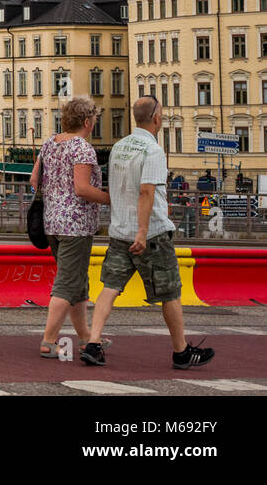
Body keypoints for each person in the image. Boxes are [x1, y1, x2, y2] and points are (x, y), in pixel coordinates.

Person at [82, 96, 214, 370]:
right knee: (169, 293)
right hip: (150, 234)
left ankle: (93, 343)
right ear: (156, 118)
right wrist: (142, 232)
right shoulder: (152, 151)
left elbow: (117, 189)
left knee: (110, 287)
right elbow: (147, 192)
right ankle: (181, 351)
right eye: (162, 114)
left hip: (120, 230)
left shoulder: (118, 147)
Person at [31, 97, 109, 359]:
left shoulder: (49, 144)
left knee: (77, 284)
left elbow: (34, 180)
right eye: (94, 119)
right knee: (66, 284)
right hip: (75, 226)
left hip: (52, 223)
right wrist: (111, 198)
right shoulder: (82, 148)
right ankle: (49, 340)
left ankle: (86, 336)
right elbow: (82, 188)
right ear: (87, 122)